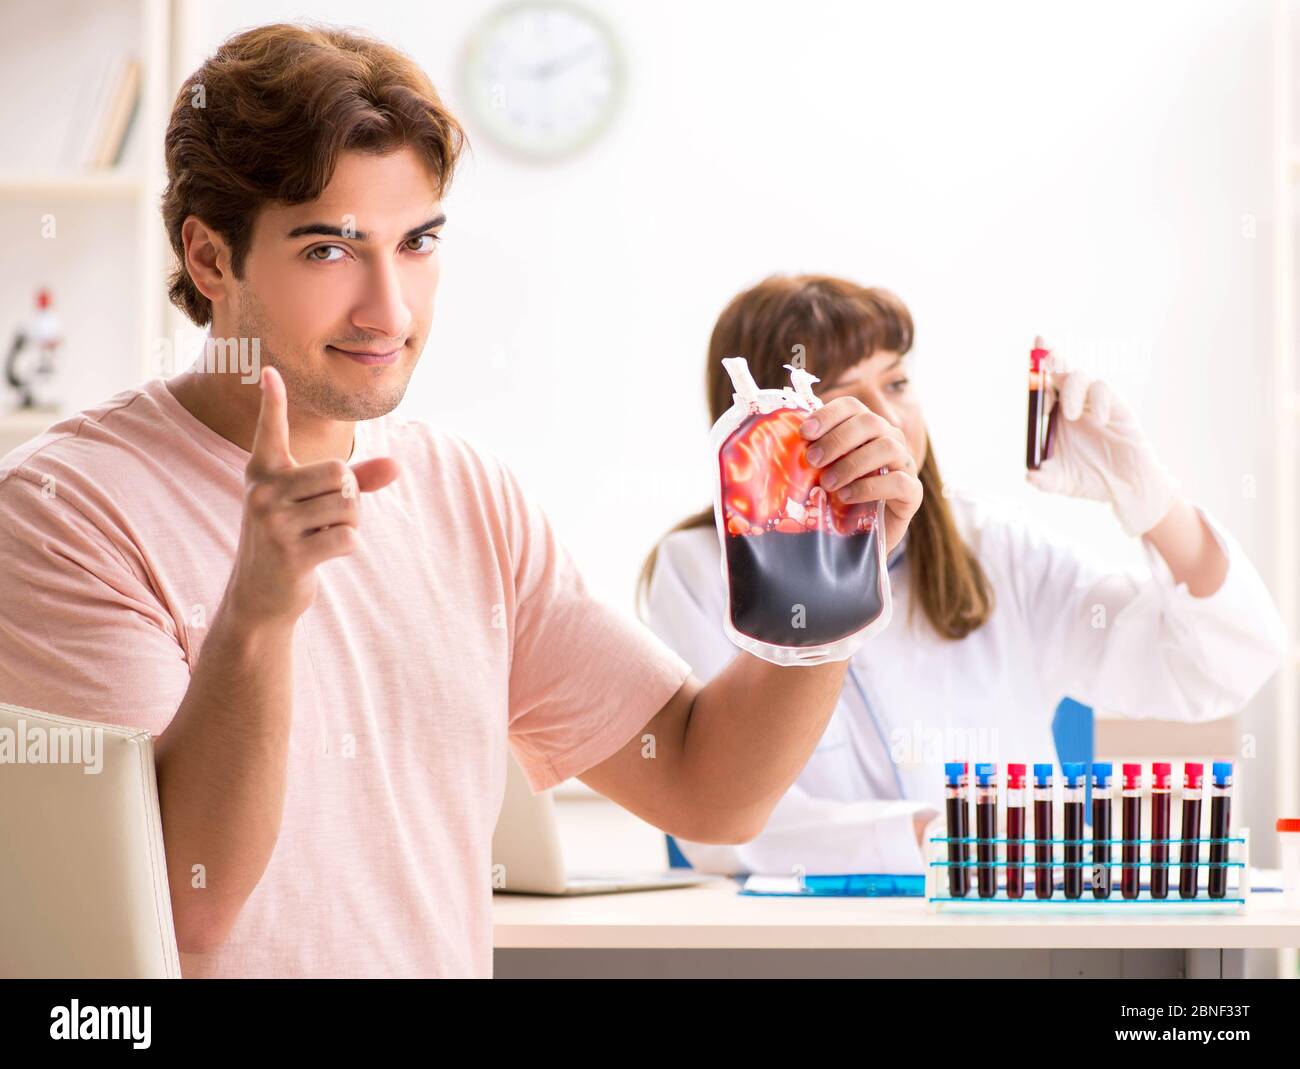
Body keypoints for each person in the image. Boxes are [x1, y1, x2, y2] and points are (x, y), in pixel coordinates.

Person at [0, 29, 925, 978]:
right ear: (208, 258)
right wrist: (257, 616)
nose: (389, 311)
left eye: (418, 243)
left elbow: (707, 787)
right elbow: (185, 906)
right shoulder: (65, 512)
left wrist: (829, 579)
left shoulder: (467, 495)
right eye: (329, 249)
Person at [641, 274, 1287, 877]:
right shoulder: (699, 571)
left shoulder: (994, 549)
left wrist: (1153, 502)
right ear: (761, 424)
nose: (887, 419)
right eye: (837, 395)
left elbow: (1227, 665)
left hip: (1010, 943)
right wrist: (947, 834)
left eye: (895, 384)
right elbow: (717, 827)